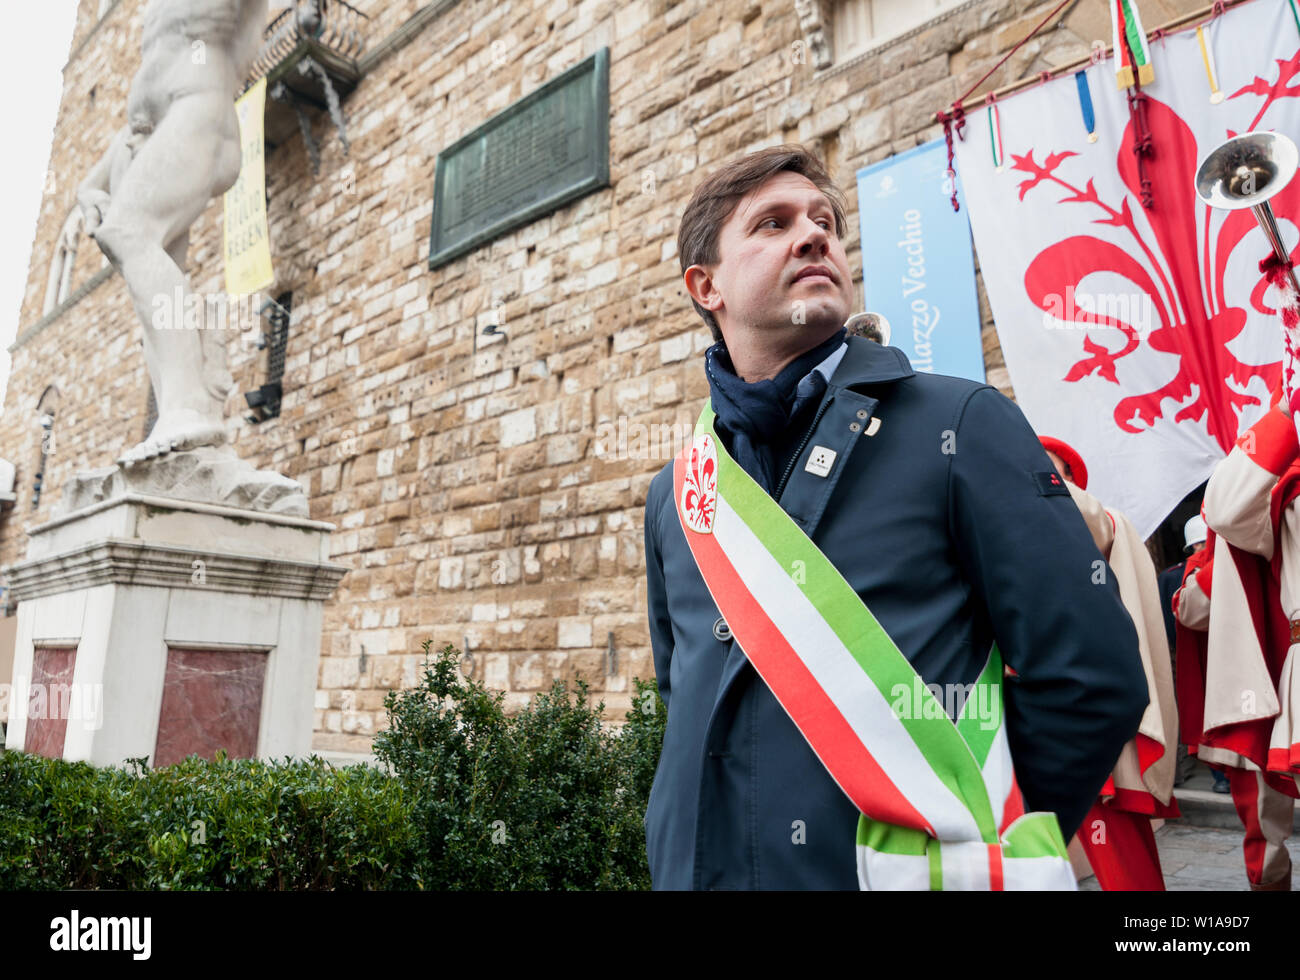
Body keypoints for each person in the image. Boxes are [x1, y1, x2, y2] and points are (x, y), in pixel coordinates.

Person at [641, 144, 1149, 890]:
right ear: (705, 284)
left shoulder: (962, 424)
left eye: (824, 223)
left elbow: (1090, 676)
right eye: (773, 224)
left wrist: (977, 846)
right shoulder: (675, 490)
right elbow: (682, 689)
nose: (814, 236)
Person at [1038, 436, 1178, 890]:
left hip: (1085, 707)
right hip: (1024, 710)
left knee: (1119, 851)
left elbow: (1084, 517)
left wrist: (1025, 469)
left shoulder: (1103, 520)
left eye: (1049, 468)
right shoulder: (1008, 536)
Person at [1173, 398, 1300, 890]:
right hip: (1258, 694)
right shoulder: (1216, 554)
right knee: (1265, 829)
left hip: (1271, 687)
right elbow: (1193, 609)